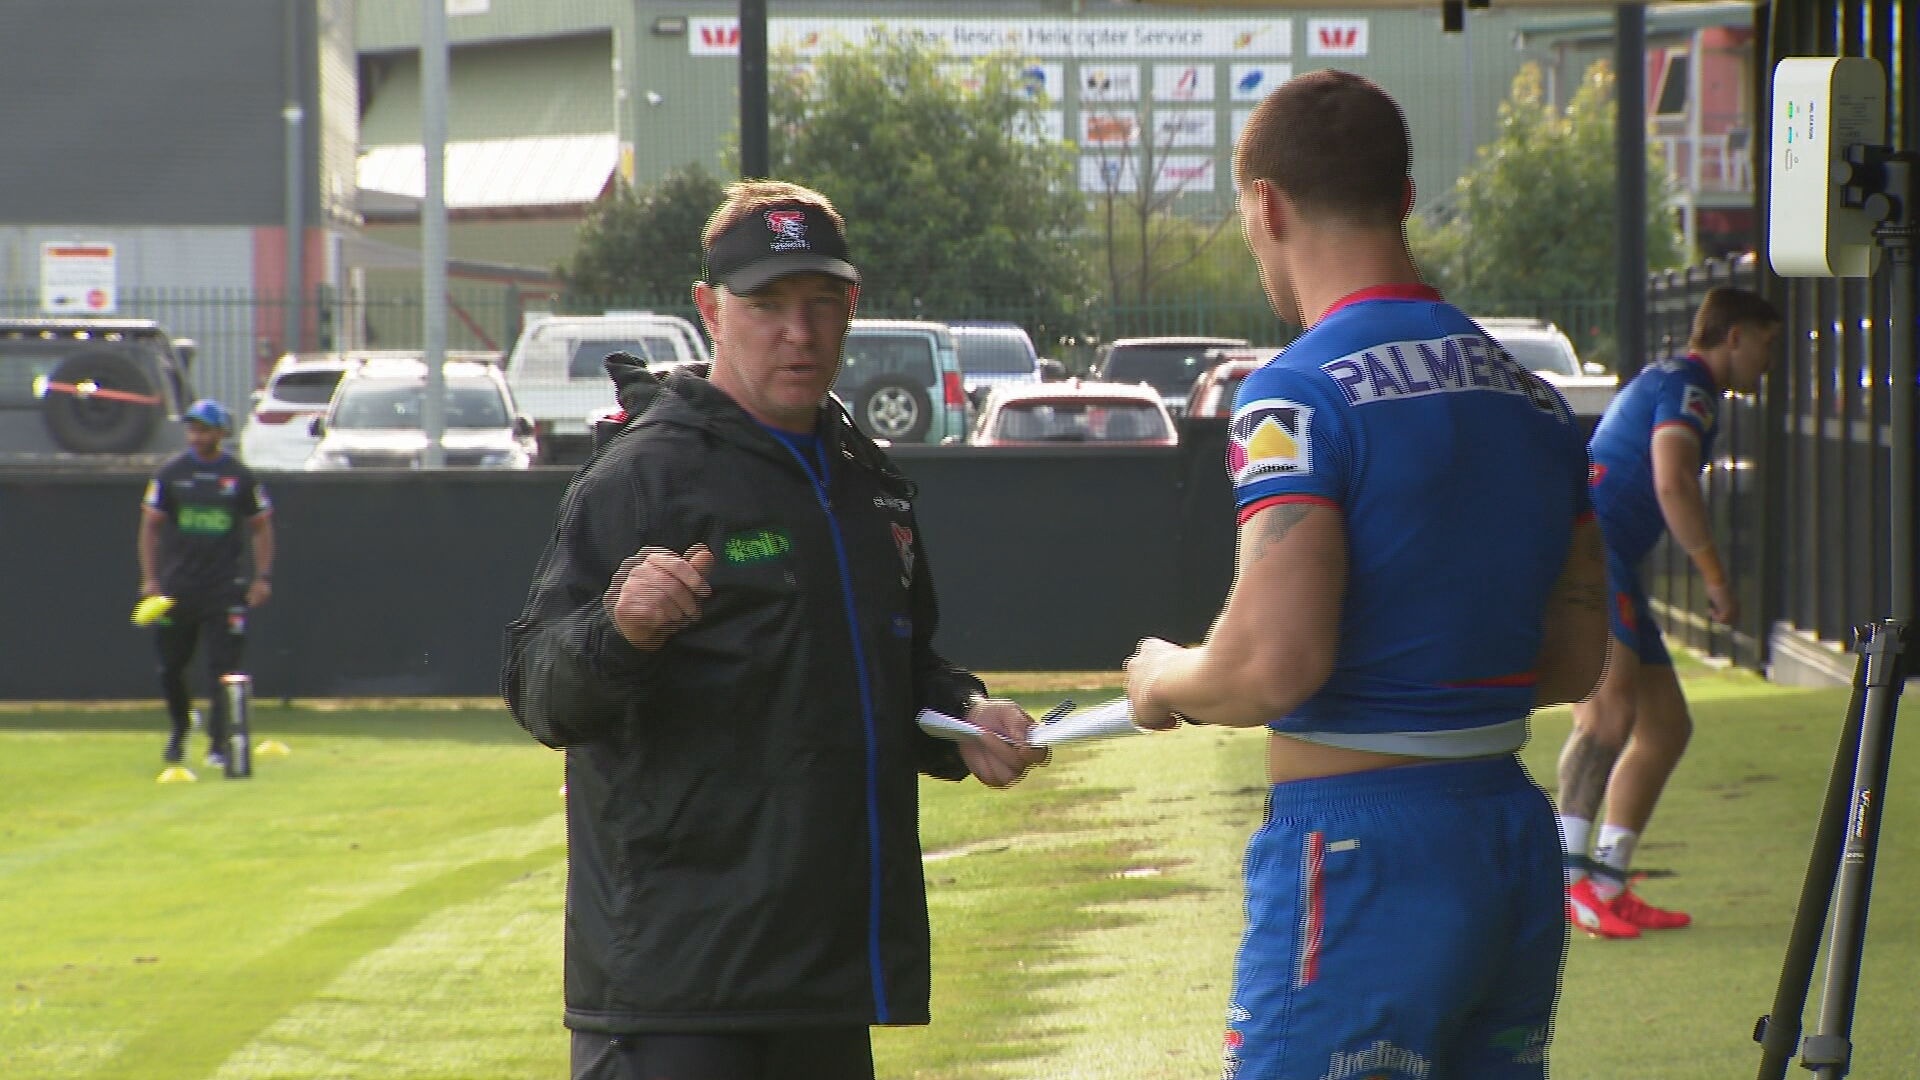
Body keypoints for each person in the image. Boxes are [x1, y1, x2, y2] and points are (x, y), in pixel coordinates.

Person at [1119, 71, 1607, 1079]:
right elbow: (1573, 657)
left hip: (1361, 859)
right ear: (1404, 199)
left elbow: (1276, 665)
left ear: (1266, 205)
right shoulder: (1533, 399)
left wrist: (1165, 677)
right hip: (1509, 841)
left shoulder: (1294, 393)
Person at [501, 179, 1047, 1080]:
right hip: (676, 995)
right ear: (711, 310)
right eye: (767, 306)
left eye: (820, 304)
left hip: (823, 989)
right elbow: (536, 688)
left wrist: (967, 717)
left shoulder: (864, 480)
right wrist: (619, 628)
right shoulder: (645, 477)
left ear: (851, 307)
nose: (799, 332)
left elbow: (898, 673)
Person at [1558, 286, 1782, 939]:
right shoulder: (1692, 387)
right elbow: (1672, 479)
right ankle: (1567, 882)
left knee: (1665, 727)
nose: (1771, 361)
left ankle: (1607, 880)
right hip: (1589, 554)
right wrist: (1716, 575)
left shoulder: (1675, 381)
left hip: (1607, 557)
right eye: (1768, 344)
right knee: (1606, 715)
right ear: (1734, 336)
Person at [138, 398, 274, 766]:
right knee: (170, 667)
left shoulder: (240, 477)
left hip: (224, 587)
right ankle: (181, 725)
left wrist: (262, 577)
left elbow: (261, 528)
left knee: (223, 670)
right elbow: (151, 527)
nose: (196, 437)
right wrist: (150, 579)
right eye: (192, 429)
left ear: (220, 433)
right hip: (176, 589)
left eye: (204, 430)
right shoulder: (171, 474)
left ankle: (219, 744)